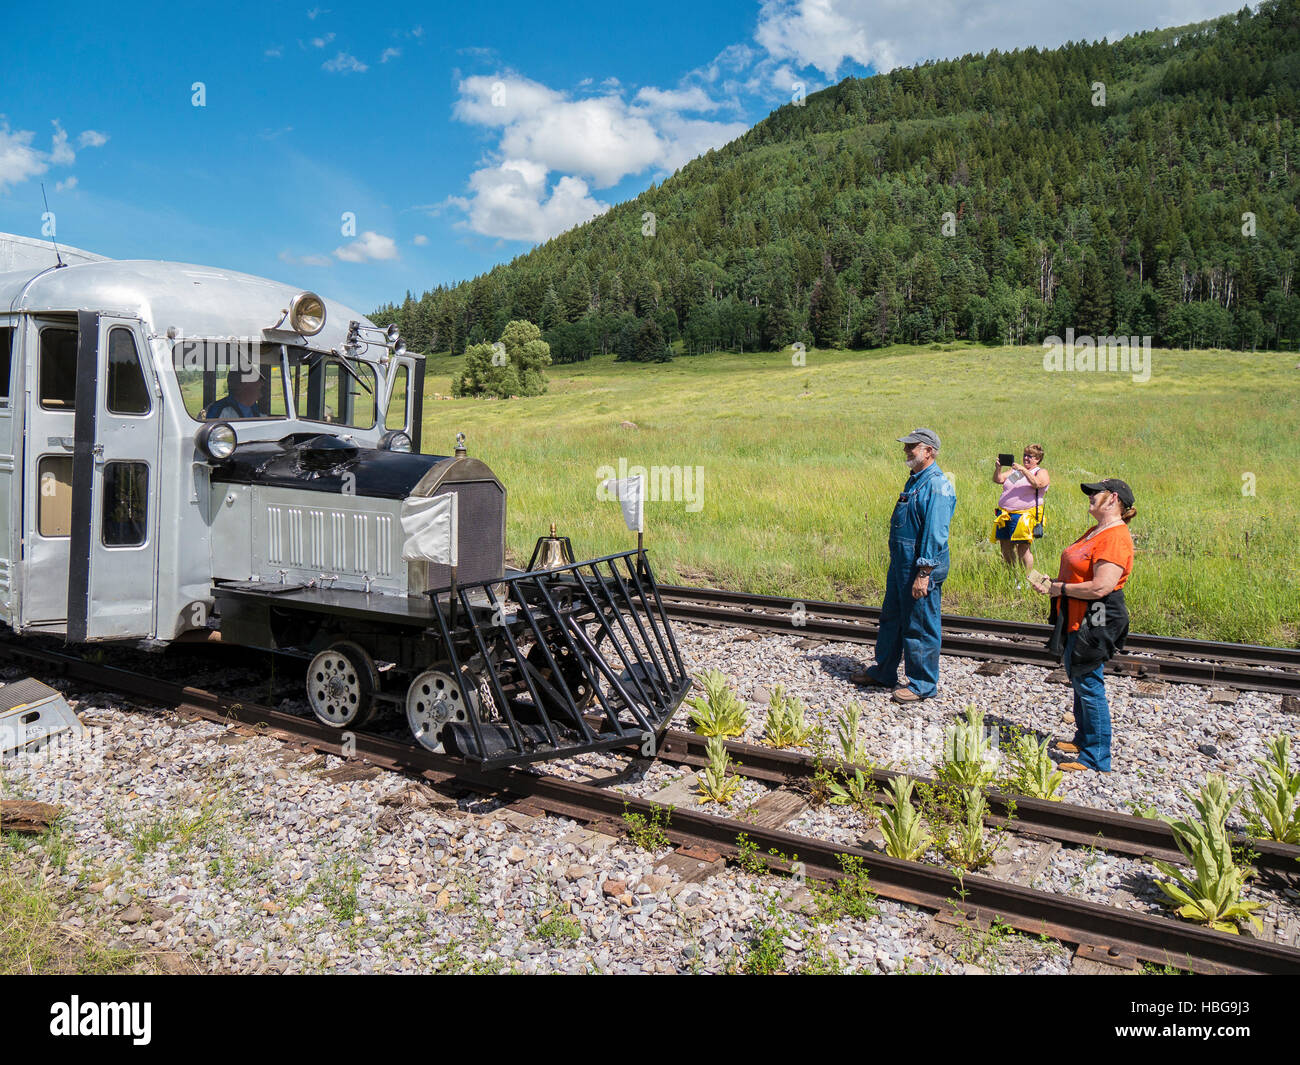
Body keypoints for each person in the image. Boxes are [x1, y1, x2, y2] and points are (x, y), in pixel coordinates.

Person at [1029, 479, 1137, 772]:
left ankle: (1096, 756)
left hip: (1097, 614)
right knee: (1078, 677)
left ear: (1113, 499)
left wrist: (1060, 589)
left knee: (1089, 683)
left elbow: (1102, 587)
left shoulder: (1115, 536)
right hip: (1078, 610)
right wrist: (1055, 584)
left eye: (1095, 493)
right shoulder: (1097, 530)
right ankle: (1083, 738)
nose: (1089, 497)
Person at [852, 428, 957, 703]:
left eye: (912, 446)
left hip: (920, 567)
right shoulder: (915, 480)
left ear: (929, 451)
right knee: (892, 619)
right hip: (902, 564)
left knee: (919, 624)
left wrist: (924, 572)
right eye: (906, 446)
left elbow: (935, 533)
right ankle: (884, 671)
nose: (906, 450)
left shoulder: (937, 485)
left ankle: (922, 684)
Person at [991, 443, 1049, 572]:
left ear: (1037, 459)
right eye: (1025, 455)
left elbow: (1038, 484)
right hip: (1005, 514)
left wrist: (1024, 470)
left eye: (1030, 456)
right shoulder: (1015, 472)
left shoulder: (1040, 472)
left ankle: (1026, 579)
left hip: (1024, 516)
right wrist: (998, 468)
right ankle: (1012, 576)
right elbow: (999, 479)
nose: (1026, 458)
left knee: (1022, 548)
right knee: (1005, 546)